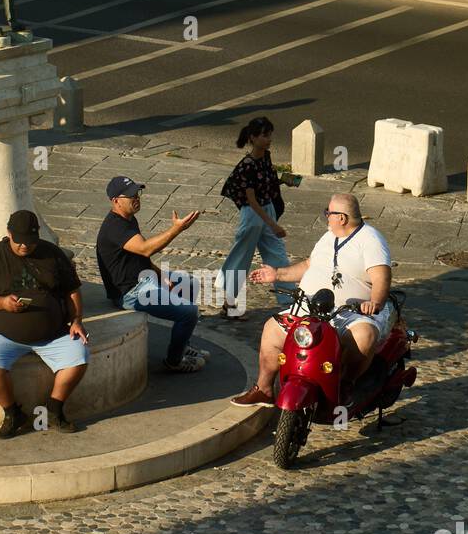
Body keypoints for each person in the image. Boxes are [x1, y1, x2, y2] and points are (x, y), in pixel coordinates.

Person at [231, 193, 392, 408]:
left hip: (350, 312)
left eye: (329, 213)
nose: (326, 216)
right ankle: (265, 388)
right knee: (272, 329)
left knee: (365, 337)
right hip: (309, 305)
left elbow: (381, 276)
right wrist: (277, 274)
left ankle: (345, 384)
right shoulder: (329, 236)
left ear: (342, 218)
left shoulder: (371, 240)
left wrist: (375, 302)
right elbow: (308, 265)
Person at [0, 210, 89, 438]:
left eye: (29, 242)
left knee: (78, 357)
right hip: (3, 333)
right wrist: (2, 303)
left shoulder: (52, 254)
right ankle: (12, 413)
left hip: (53, 333)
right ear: (9, 234)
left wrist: (77, 320)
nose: (24, 247)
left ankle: (54, 409)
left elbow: (72, 289)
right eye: (18, 241)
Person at [95, 176, 208, 374]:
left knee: (189, 285)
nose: (136, 198)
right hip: (130, 292)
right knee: (188, 313)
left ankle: (183, 345)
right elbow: (145, 249)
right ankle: (174, 361)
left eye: (137, 193)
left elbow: (139, 257)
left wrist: (160, 274)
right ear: (115, 201)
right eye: (131, 196)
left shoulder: (128, 219)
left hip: (144, 278)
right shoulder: (116, 227)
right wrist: (176, 229)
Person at [218, 116, 297, 319]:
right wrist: (272, 224)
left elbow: (265, 185)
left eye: (270, 135)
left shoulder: (265, 158)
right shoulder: (247, 165)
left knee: (277, 254)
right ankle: (229, 302)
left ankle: (288, 301)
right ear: (252, 138)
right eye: (264, 135)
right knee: (241, 256)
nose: (269, 139)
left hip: (267, 209)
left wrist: (282, 181)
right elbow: (251, 200)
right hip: (254, 215)